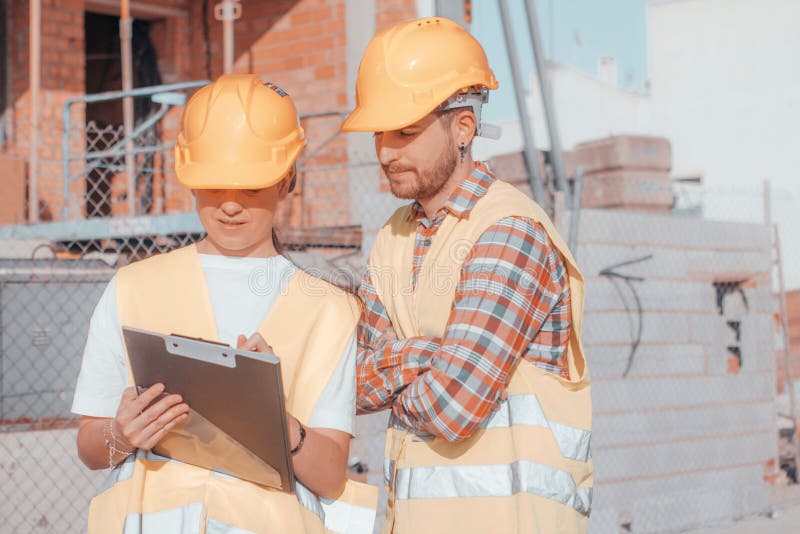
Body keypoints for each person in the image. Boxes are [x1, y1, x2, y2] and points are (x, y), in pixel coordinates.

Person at [72, 74, 375, 533]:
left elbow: (331, 476)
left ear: (287, 178)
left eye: (250, 187)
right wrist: (121, 435)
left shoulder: (328, 310)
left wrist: (276, 422)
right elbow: (92, 448)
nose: (230, 205)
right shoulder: (132, 287)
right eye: (214, 186)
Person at [343, 17, 593, 534]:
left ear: (463, 127)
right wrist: (425, 355)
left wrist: (397, 367)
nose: (386, 151)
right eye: (379, 133)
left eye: (406, 131)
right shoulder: (392, 237)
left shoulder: (509, 232)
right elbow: (350, 387)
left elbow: (453, 407)